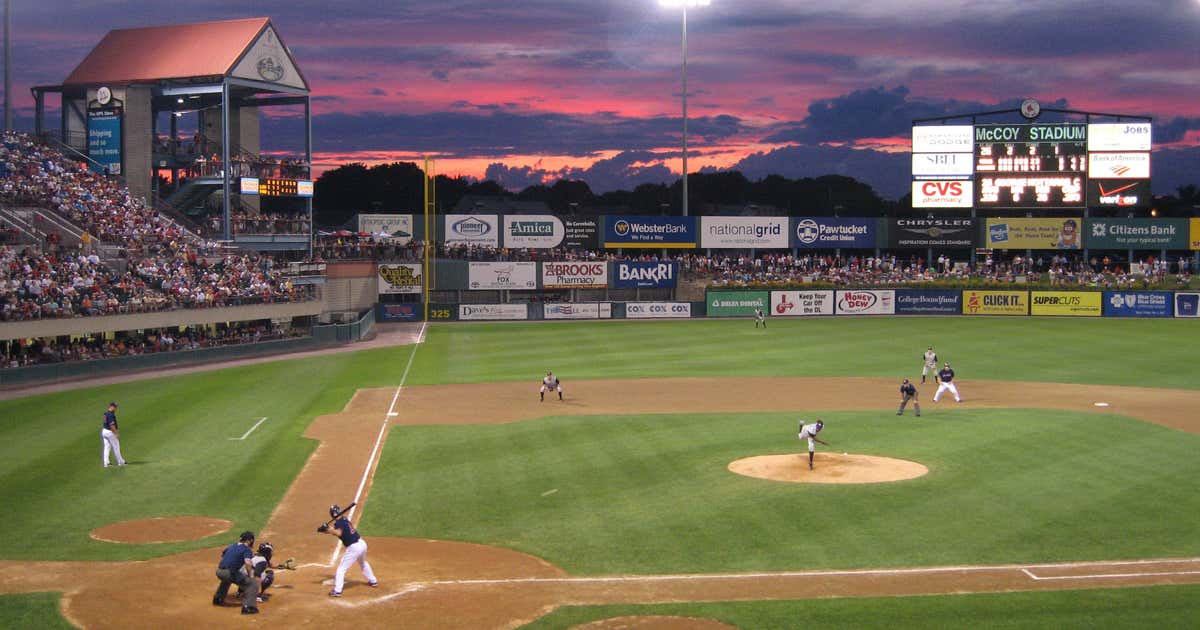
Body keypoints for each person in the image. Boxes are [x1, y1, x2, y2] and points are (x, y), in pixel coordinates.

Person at [319, 504, 377, 597]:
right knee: (363, 563)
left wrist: (327, 529)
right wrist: (325, 530)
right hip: (362, 544)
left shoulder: (339, 523)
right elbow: (335, 531)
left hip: (354, 548)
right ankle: (373, 581)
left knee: (341, 569)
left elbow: (338, 532)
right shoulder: (344, 520)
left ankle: (337, 591)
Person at [213, 531, 259, 614]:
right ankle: (248, 607)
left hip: (219, 571)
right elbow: (248, 563)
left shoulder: (232, 545)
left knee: (227, 579)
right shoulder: (247, 549)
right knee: (252, 583)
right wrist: (250, 576)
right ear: (249, 541)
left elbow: (223, 554)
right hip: (228, 572)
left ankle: (218, 599)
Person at [101, 402, 126, 467]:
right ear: (111, 406)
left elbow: (104, 421)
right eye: (115, 407)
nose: (116, 408)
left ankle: (106, 463)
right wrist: (116, 433)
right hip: (110, 432)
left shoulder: (106, 413)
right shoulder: (110, 415)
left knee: (107, 447)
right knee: (116, 447)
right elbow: (112, 425)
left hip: (104, 431)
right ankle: (121, 462)